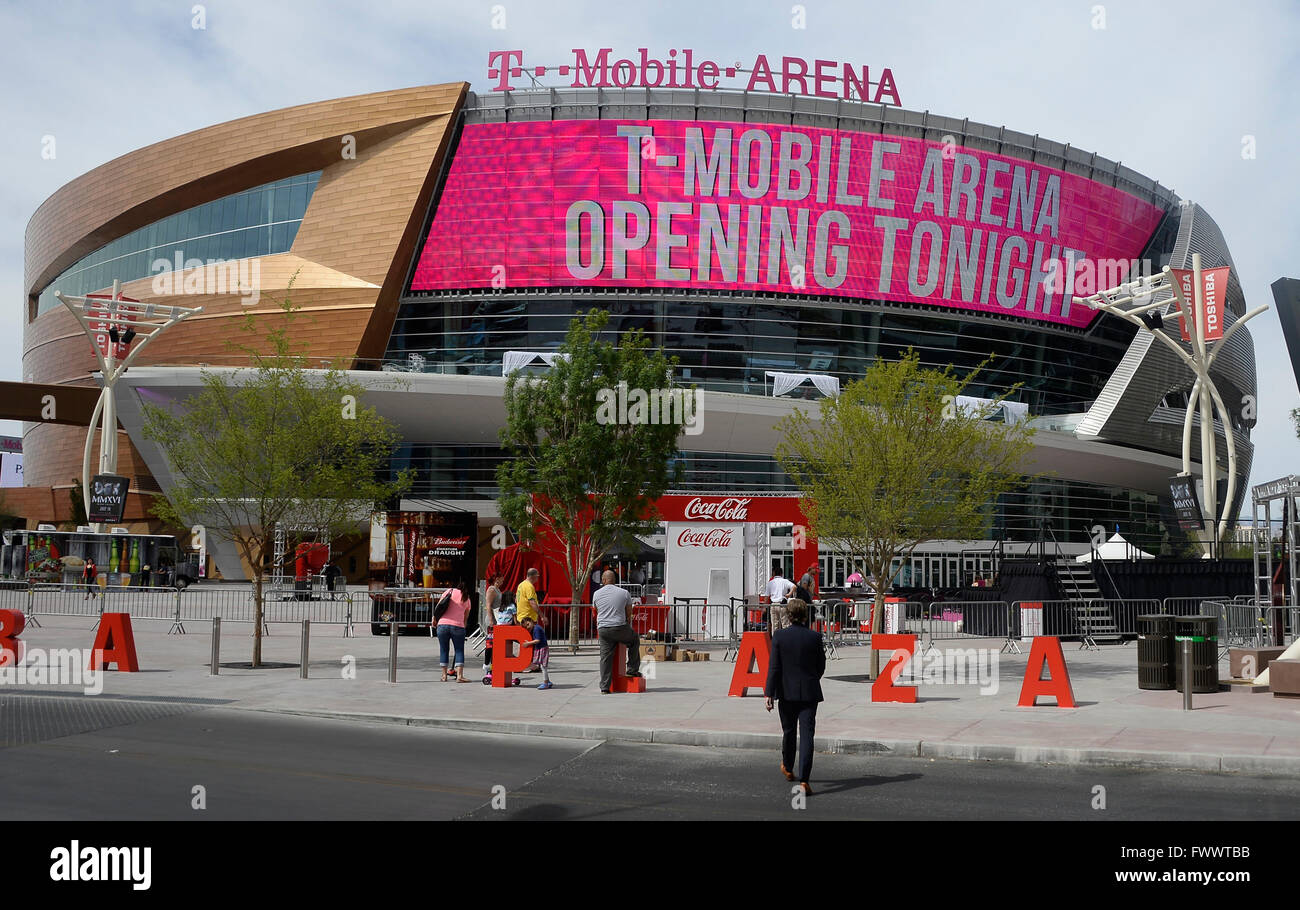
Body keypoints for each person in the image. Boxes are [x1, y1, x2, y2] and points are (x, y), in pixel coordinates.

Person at [764, 598, 825, 795]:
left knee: (788, 731)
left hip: (786, 692)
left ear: (788, 615)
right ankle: (805, 780)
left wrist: (769, 693)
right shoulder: (814, 637)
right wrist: (812, 678)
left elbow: (774, 667)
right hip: (809, 691)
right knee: (807, 734)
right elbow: (821, 665)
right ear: (805, 615)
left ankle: (788, 767)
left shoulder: (780, 636)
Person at [593, 569, 640, 694]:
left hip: (603, 629)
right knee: (634, 639)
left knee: (605, 658)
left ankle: (604, 687)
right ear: (615, 580)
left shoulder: (596, 594)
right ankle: (632, 669)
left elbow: (596, 609)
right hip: (619, 627)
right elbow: (629, 613)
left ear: (603, 580)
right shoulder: (624, 593)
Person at [435, 578, 474, 683]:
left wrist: (434, 620)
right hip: (458, 627)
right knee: (459, 650)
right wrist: (463, 627)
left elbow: (438, 607)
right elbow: (465, 618)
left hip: (442, 625)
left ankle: (444, 676)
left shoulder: (449, 591)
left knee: (444, 650)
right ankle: (459, 676)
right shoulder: (467, 599)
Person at [520, 617, 553, 689]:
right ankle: (548, 681)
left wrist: (528, 643)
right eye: (526, 627)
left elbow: (537, 640)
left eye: (528, 625)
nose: (528, 627)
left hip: (542, 648)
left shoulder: (536, 628)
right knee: (542, 666)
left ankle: (546, 683)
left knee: (543, 666)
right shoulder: (534, 628)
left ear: (531, 621)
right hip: (539, 648)